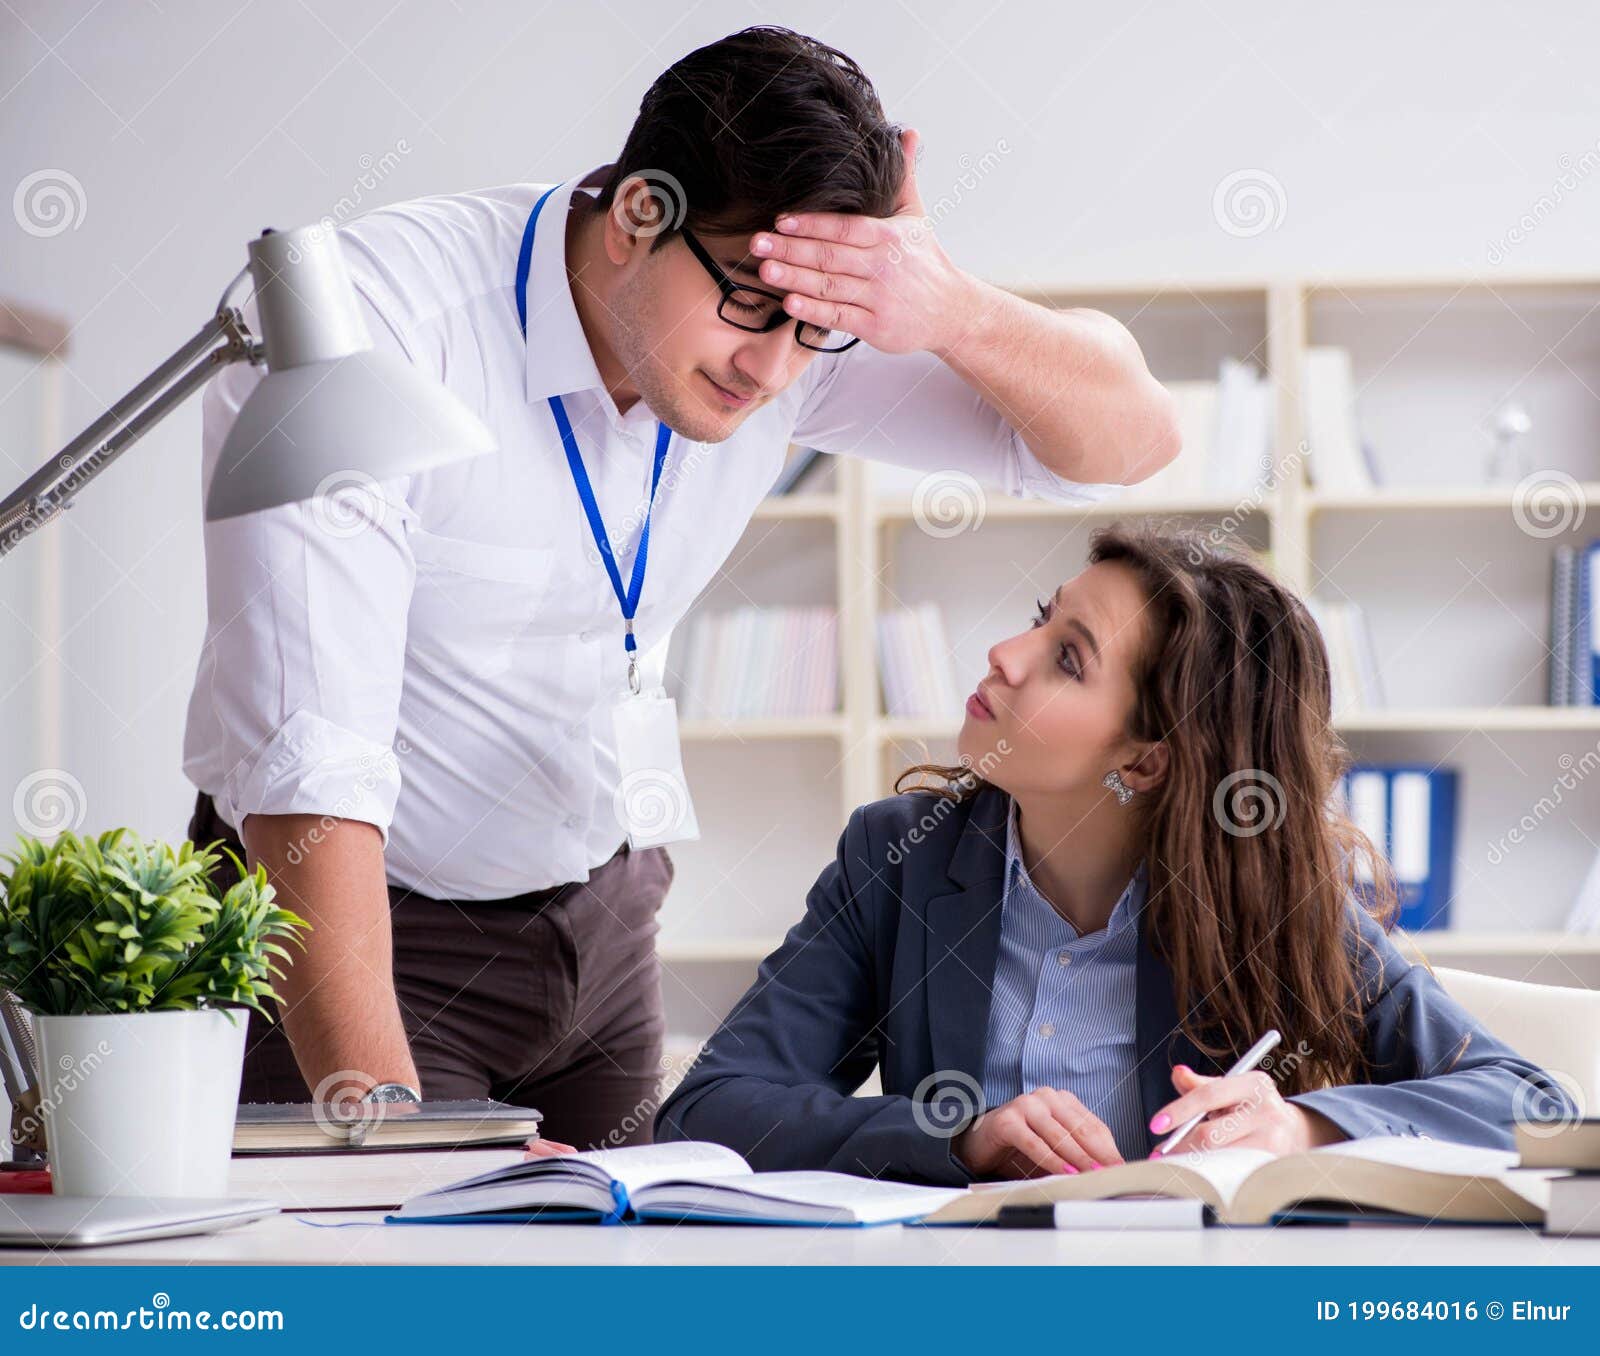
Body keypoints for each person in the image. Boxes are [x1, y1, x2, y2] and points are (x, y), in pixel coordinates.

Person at [180, 26, 1180, 1144]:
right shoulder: (369, 329)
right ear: (635, 217)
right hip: (367, 928)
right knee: (398, 1298)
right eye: (753, 309)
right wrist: (392, 1149)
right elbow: (312, 774)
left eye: (818, 332)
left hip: (603, 920)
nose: (772, 372)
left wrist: (952, 310)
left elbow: (1125, 441)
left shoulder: (773, 332)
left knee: (621, 1295)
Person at [655, 521, 1574, 1181]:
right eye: (1040, 618)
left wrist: (1299, 1128)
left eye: (1068, 658)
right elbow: (712, 1105)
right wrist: (956, 1137)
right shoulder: (899, 858)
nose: (1005, 653)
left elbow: (1529, 1100)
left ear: (1147, 757)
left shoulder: (1266, 897)